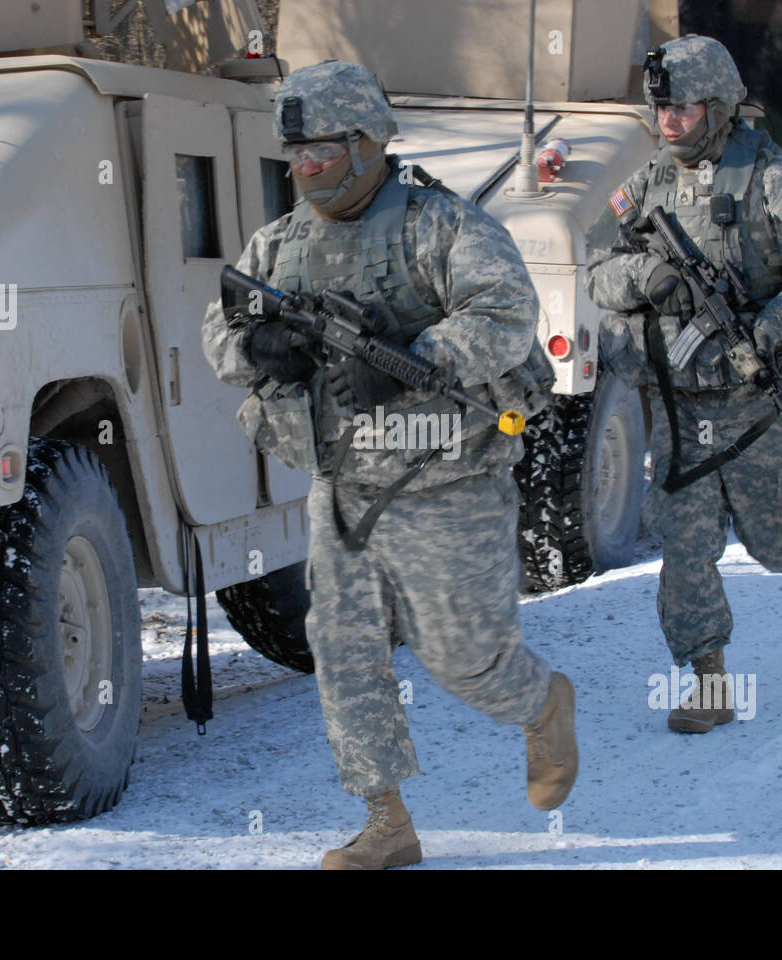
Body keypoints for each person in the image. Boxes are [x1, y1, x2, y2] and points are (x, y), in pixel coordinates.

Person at [202, 60, 577, 868]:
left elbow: (509, 315)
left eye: (323, 153)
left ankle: (541, 703)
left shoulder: (439, 225)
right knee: (343, 656)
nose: (305, 169)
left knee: (461, 656)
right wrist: (256, 346)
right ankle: (386, 823)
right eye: (295, 154)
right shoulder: (280, 242)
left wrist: (411, 355)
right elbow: (218, 329)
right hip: (342, 484)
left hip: (447, 482)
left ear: (369, 145)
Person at [584, 35, 782, 734]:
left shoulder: (774, 180)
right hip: (682, 403)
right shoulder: (647, 186)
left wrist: (772, 324)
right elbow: (596, 269)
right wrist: (643, 277)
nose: (668, 121)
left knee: (774, 535)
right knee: (684, 542)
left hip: (765, 399)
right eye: (661, 108)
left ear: (721, 106)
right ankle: (708, 681)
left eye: (683, 108)